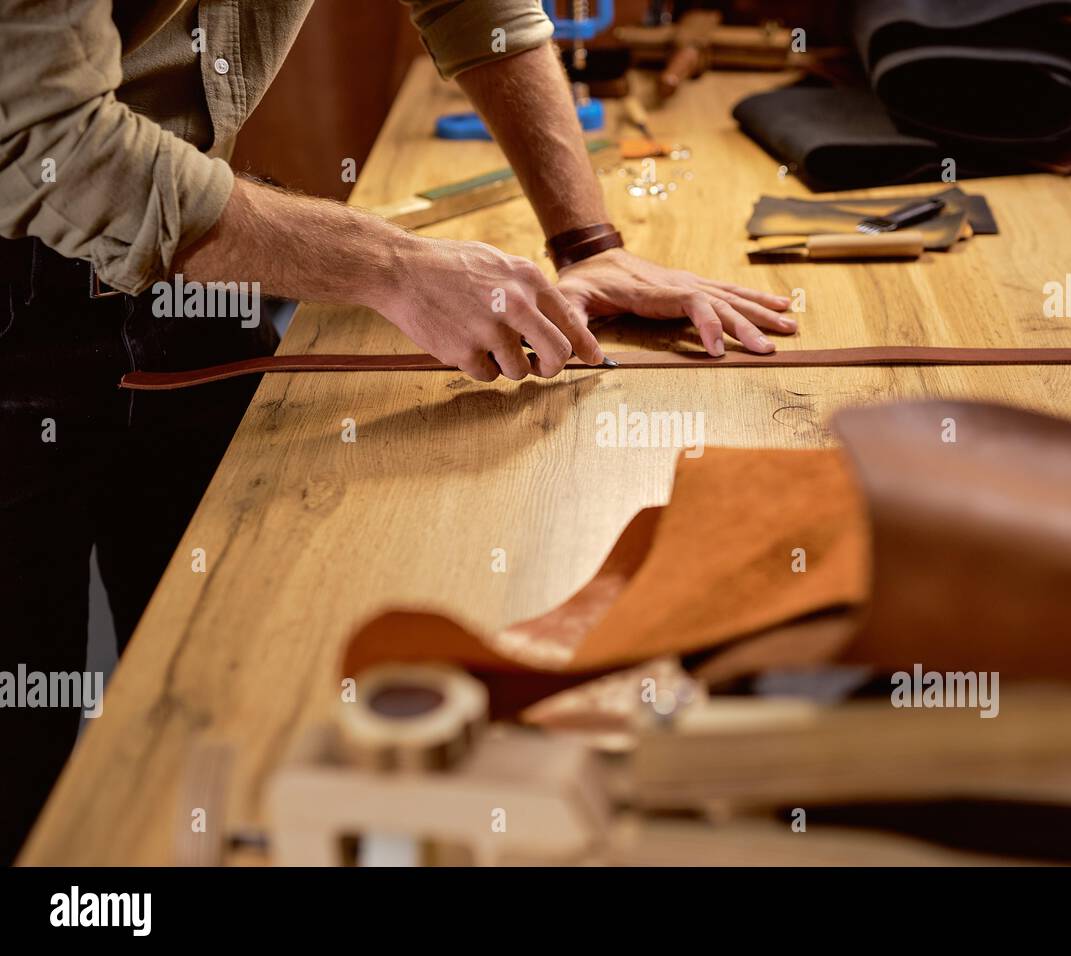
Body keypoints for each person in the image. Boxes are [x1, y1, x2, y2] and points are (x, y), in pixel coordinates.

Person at [0, 0, 795, 864]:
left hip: (188, 247)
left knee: (239, 677)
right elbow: (49, 142)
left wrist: (586, 240)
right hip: (28, 256)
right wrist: (391, 266)